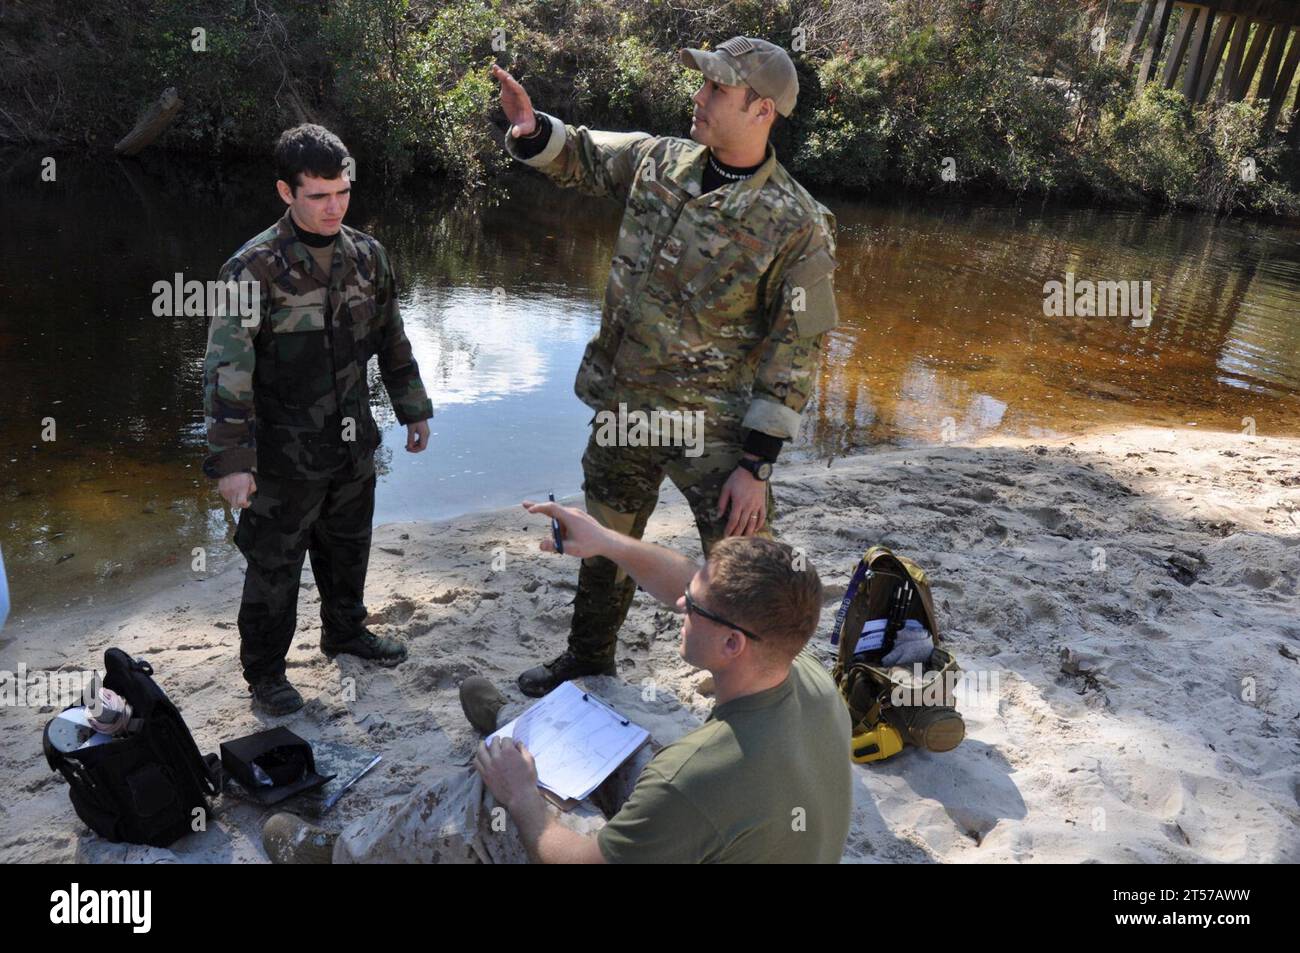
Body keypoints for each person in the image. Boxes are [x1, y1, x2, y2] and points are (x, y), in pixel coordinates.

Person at [492, 37, 841, 697]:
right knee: (604, 538)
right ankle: (589, 658)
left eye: (716, 90)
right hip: (625, 406)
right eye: (702, 85)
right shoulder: (660, 160)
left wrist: (756, 467)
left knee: (746, 570)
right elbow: (586, 156)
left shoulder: (797, 226)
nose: (699, 98)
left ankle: (763, 690)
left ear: (762, 109)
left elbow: (798, 348)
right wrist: (532, 129)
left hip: (714, 430)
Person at [264, 500, 853, 864]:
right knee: (627, 743)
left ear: (731, 644)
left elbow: (577, 860)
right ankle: (516, 725)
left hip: (647, 835)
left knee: (488, 797)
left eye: (693, 608)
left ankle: (341, 854)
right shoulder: (802, 672)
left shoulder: (696, 777)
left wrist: (522, 795)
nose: (678, 602)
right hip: (728, 827)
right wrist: (606, 541)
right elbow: (692, 583)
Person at [202, 124, 434, 715]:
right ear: (286, 191)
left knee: (348, 546)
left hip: (353, 444)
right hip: (281, 456)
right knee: (274, 566)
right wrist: (233, 463)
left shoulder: (367, 255)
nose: (334, 207)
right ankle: (266, 673)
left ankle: (346, 631)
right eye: (318, 195)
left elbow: (393, 339)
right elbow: (227, 372)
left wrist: (413, 409)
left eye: (342, 192)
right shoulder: (251, 270)